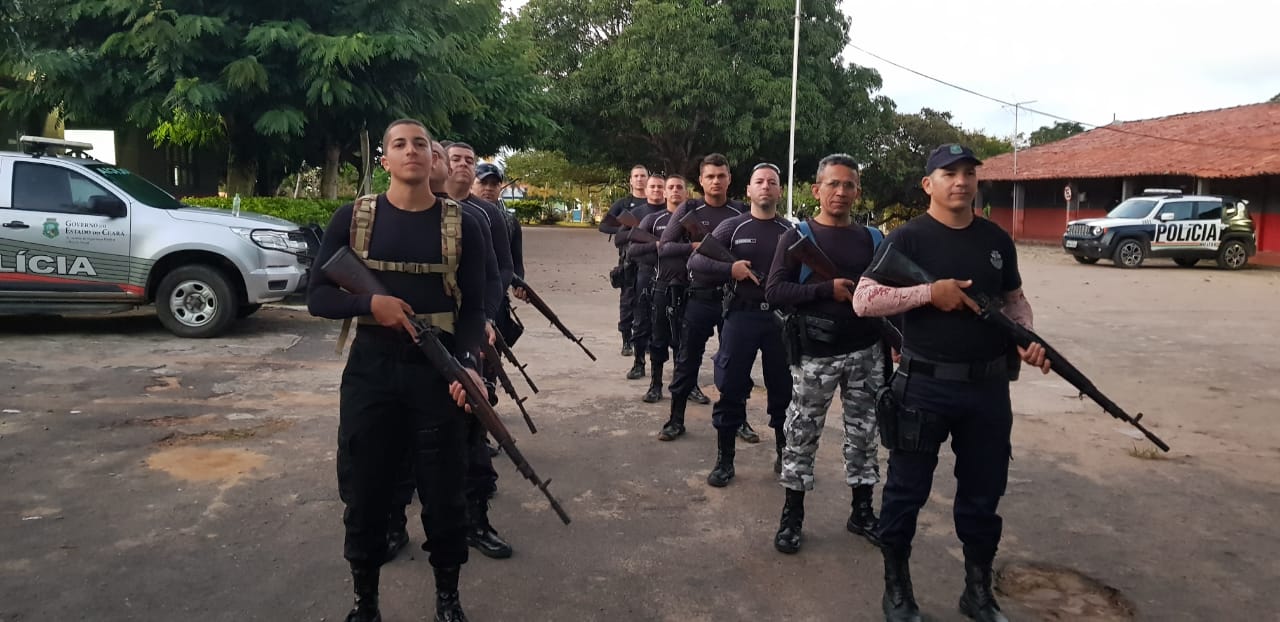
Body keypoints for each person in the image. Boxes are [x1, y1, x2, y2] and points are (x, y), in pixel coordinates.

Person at [853, 143, 1049, 622]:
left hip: (987, 391)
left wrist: (1026, 335)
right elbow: (864, 300)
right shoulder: (908, 238)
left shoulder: (996, 239)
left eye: (968, 173)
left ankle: (977, 591)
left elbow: (1014, 300)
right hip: (924, 386)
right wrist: (928, 293)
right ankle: (897, 589)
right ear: (929, 184)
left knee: (983, 495)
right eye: (949, 173)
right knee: (906, 493)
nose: (961, 181)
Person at [308, 119, 485, 622]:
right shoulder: (354, 217)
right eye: (400, 144)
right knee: (365, 489)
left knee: (444, 491)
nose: (411, 151)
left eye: (420, 144)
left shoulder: (463, 224)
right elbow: (318, 296)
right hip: (373, 369)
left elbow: (474, 307)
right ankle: (365, 602)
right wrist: (369, 303)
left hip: (437, 370)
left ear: (433, 158)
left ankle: (447, 597)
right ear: (384, 159)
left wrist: (469, 365)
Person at [764, 154, 887, 555]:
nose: (841, 192)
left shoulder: (874, 239)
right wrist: (824, 290)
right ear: (816, 190)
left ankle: (862, 511)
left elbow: (889, 292)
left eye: (849, 184)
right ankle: (792, 516)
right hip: (815, 355)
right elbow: (774, 291)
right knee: (801, 434)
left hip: (866, 352)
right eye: (833, 184)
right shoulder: (797, 238)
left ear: (858, 191)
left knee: (864, 435)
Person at [687, 162, 793, 486]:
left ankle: (784, 452)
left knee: (782, 390)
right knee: (731, 387)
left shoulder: (790, 231)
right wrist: (729, 270)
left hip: (780, 320)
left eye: (771, 182)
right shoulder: (732, 227)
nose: (765, 186)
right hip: (741, 316)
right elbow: (696, 260)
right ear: (748, 189)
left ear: (779, 190)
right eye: (759, 181)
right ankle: (725, 460)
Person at [442, 142, 517, 560]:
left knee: (472, 426)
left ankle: (477, 520)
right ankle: (394, 522)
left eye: (469, 161)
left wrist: (485, 316)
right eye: (454, 159)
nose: (462, 166)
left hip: (470, 333)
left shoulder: (482, 216)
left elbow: (499, 270)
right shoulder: (404, 213)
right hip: (418, 339)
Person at [655, 153, 743, 440]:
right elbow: (664, 247)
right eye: (710, 176)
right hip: (699, 296)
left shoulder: (740, 212)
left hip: (734, 298)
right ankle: (675, 419)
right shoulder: (689, 209)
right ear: (701, 181)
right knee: (687, 360)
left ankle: (739, 421)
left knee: (735, 364)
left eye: (721, 176)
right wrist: (693, 247)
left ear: (729, 179)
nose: (716, 181)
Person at [629, 174, 689, 403]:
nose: (675, 191)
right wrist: (657, 246)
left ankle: (687, 385)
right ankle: (655, 384)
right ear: (664, 193)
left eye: (679, 187)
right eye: (670, 187)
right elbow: (633, 250)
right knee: (658, 337)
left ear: (686, 193)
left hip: (689, 288)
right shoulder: (653, 220)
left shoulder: (694, 222)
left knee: (686, 340)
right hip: (661, 286)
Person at [600, 164, 651, 356]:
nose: (639, 179)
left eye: (643, 176)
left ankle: (647, 340)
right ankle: (626, 340)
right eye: (636, 176)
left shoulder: (656, 202)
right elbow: (604, 226)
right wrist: (626, 231)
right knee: (628, 300)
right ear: (630, 180)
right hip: (628, 259)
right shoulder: (623, 204)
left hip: (651, 258)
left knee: (649, 299)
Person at [623, 174, 668, 381]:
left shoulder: (675, 214)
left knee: (669, 323)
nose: (657, 190)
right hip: (644, 271)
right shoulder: (638, 214)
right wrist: (653, 245)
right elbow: (625, 241)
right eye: (653, 187)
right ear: (646, 190)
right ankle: (638, 363)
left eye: (660, 187)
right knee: (641, 319)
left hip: (670, 274)